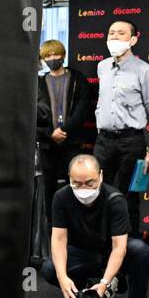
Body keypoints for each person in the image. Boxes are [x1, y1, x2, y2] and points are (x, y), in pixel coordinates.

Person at [44, 154, 149, 298]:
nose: (83, 189)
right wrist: (62, 277)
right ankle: (85, 293)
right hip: (81, 251)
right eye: (77, 184)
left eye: (89, 183)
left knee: (139, 249)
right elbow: (58, 239)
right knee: (51, 268)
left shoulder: (115, 200)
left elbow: (119, 247)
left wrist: (104, 283)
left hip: (108, 251)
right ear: (69, 178)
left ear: (100, 176)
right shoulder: (61, 197)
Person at [93, 18, 149, 235]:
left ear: (133, 39)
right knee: (96, 193)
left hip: (131, 142)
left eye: (120, 33)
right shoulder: (102, 66)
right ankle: (102, 250)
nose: (114, 37)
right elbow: (101, 101)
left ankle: (128, 253)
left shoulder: (144, 70)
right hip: (103, 141)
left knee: (128, 198)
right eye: (111, 33)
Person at [36, 39, 95, 220]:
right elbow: (35, 115)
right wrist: (50, 134)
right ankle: (50, 225)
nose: (52, 58)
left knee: (76, 183)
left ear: (63, 55)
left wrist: (64, 130)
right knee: (48, 186)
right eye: (48, 55)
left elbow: (83, 109)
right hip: (47, 143)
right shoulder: (38, 82)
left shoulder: (79, 79)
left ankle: (75, 221)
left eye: (56, 54)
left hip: (72, 142)